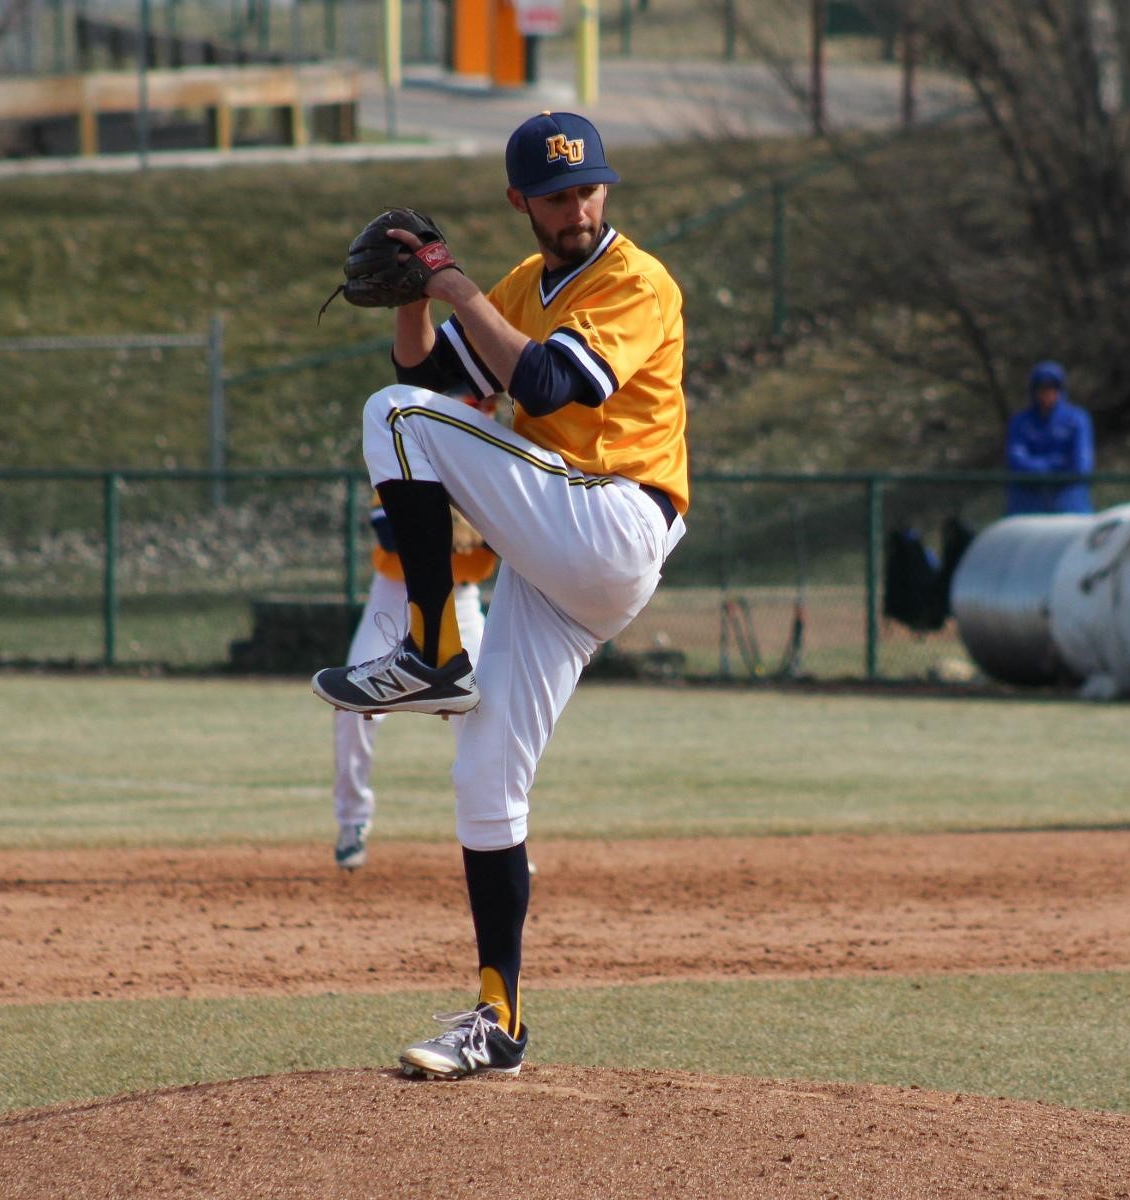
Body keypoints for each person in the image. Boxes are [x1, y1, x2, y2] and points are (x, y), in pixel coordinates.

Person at [311, 110, 688, 1079]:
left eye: (590, 186)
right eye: (558, 193)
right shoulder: (523, 286)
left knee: (391, 418)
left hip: (613, 519)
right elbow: (432, 378)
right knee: (484, 782)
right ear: (520, 201)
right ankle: (497, 1017)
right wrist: (411, 296)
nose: (579, 204)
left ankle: (433, 649)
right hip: (556, 561)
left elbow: (557, 383)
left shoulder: (635, 280)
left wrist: (452, 282)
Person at [332, 467, 496, 871]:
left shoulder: (490, 467)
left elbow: (516, 536)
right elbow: (388, 530)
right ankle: (352, 821)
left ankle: (499, 836)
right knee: (352, 705)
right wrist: (453, 521)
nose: (480, 410)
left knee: (488, 710)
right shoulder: (411, 459)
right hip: (394, 598)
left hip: (459, 600)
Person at [1004, 360, 1094, 515]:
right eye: (1041, 388)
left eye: (1052, 387)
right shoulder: (1020, 421)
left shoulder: (1077, 419)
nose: (1046, 393)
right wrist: (1054, 464)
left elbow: (1081, 465)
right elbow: (1016, 461)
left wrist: (1043, 467)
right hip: (1027, 505)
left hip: (1070, 504)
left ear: (1060, 390)